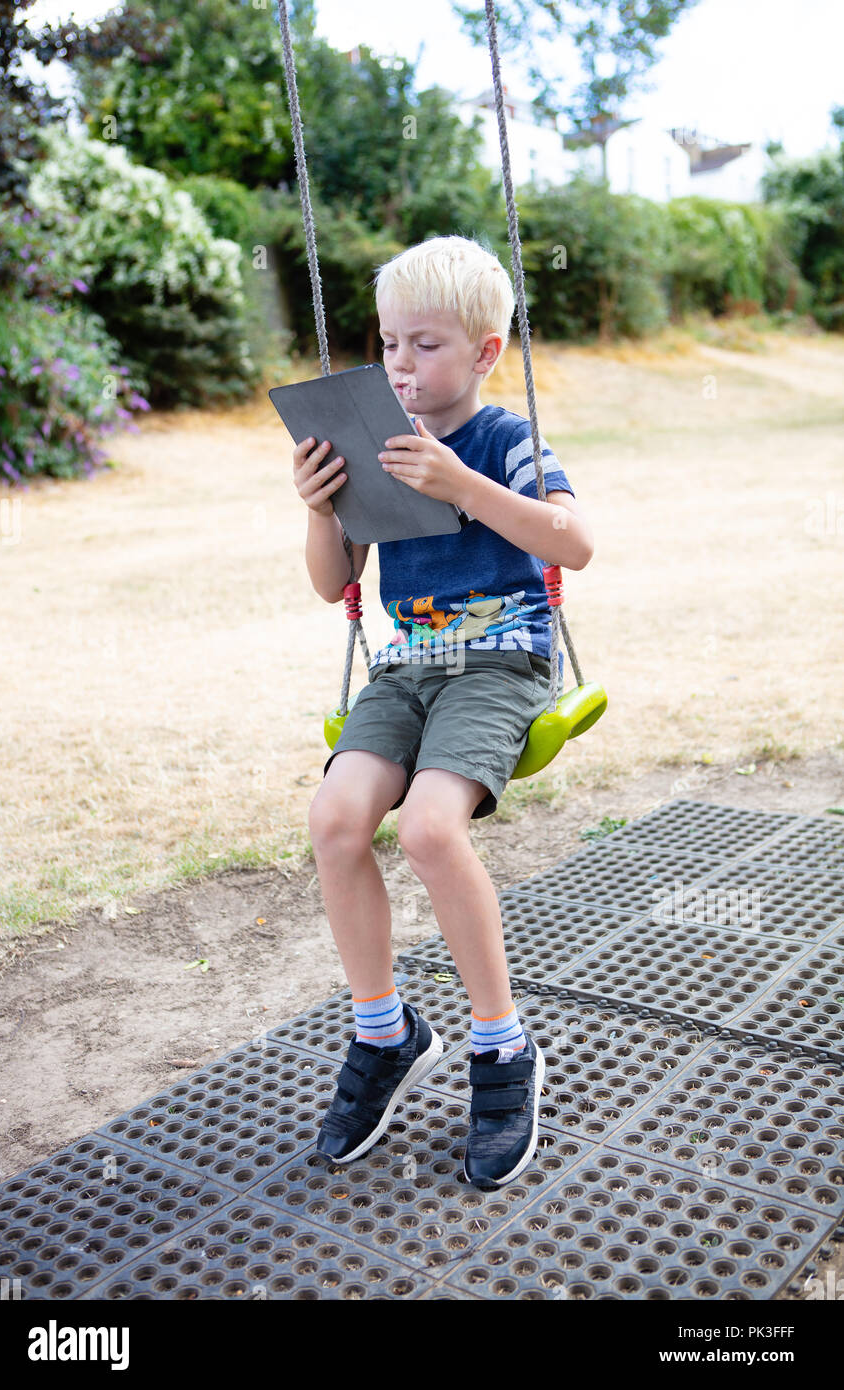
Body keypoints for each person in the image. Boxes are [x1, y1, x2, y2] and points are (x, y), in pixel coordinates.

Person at [291, 235, 594, 1189]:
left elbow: (575, 543)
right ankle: (385, 1032)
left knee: (427, 828)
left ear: (485, 352)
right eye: (388, 345)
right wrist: (317, 508)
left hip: (500, 664)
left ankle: (502, 1048)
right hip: (408, 666)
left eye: (424, 345)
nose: (400, 367)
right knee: (335, 820)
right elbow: (333, 582)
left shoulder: (507, 440)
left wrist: (461, 484)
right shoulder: (371, 443)